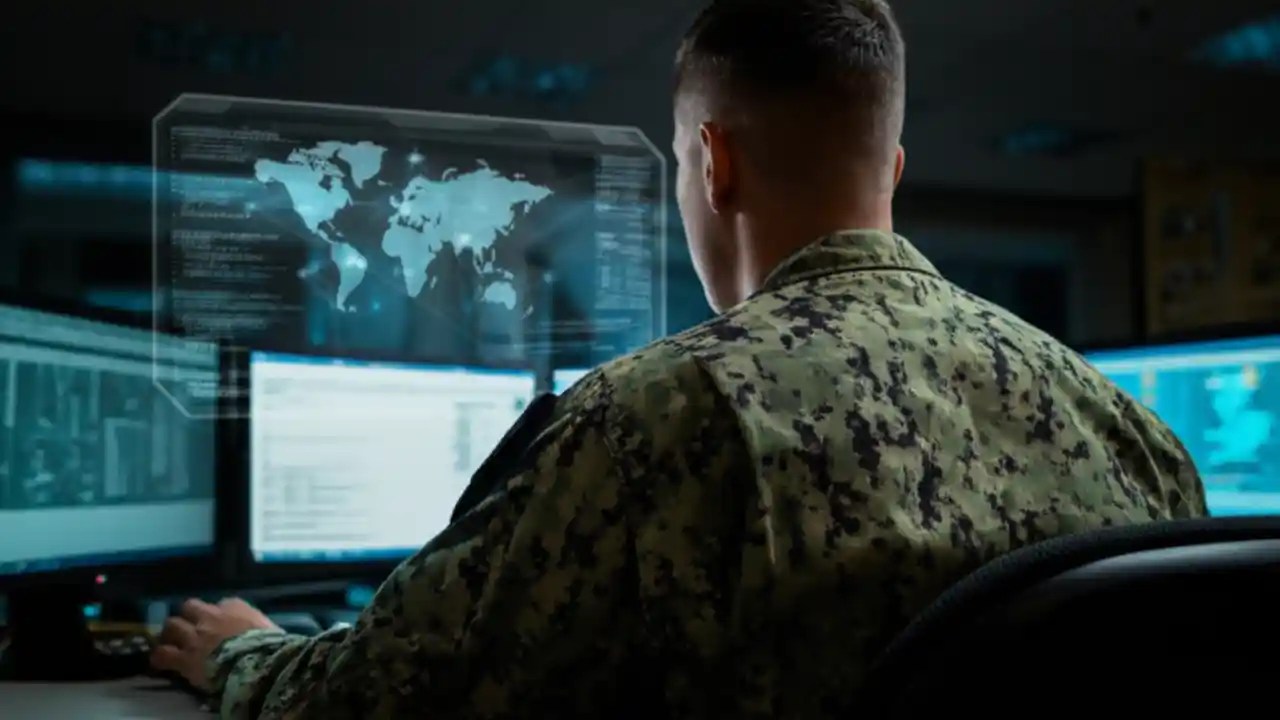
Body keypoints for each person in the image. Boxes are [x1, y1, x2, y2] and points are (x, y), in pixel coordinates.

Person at [151, 0, 1207, 717]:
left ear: (711, 159)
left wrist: (245, 652)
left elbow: (381, 699)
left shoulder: (652, 418)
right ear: (890, 164)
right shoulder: (1129, 430)